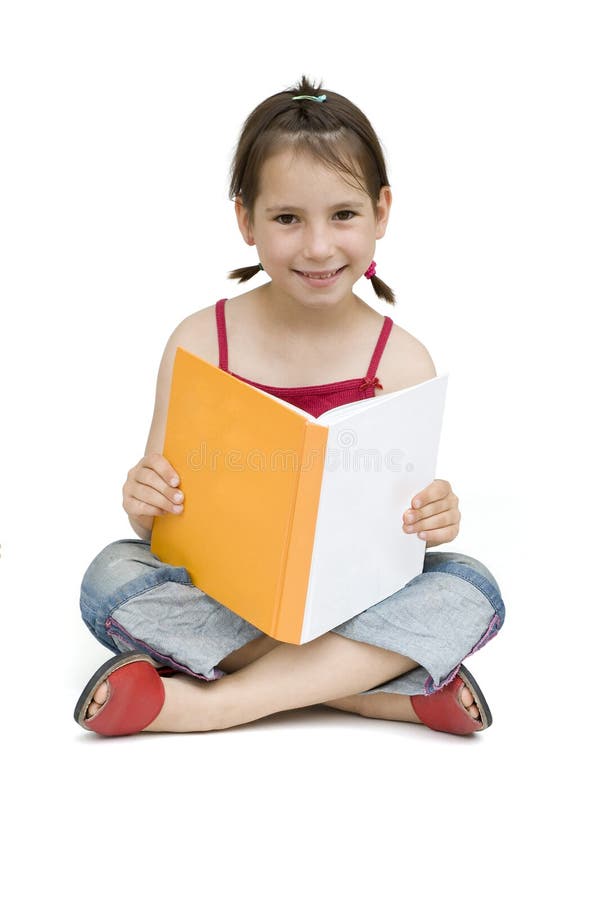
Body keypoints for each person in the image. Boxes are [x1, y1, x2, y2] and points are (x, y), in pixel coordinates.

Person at [74, 75, 505, 738]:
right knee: (111, 575)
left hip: (349, 602)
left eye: (342, 215)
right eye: (286, 219)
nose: (317, 247)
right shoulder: (199, 342)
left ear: (381, 212)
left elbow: (398, 546)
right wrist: (144, 498)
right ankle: (369, 690)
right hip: (230, 598)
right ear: (244, 218)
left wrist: (432, 518)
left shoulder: (401, 361)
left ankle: (214, 704)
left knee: (469, 586)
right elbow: (153, 534)